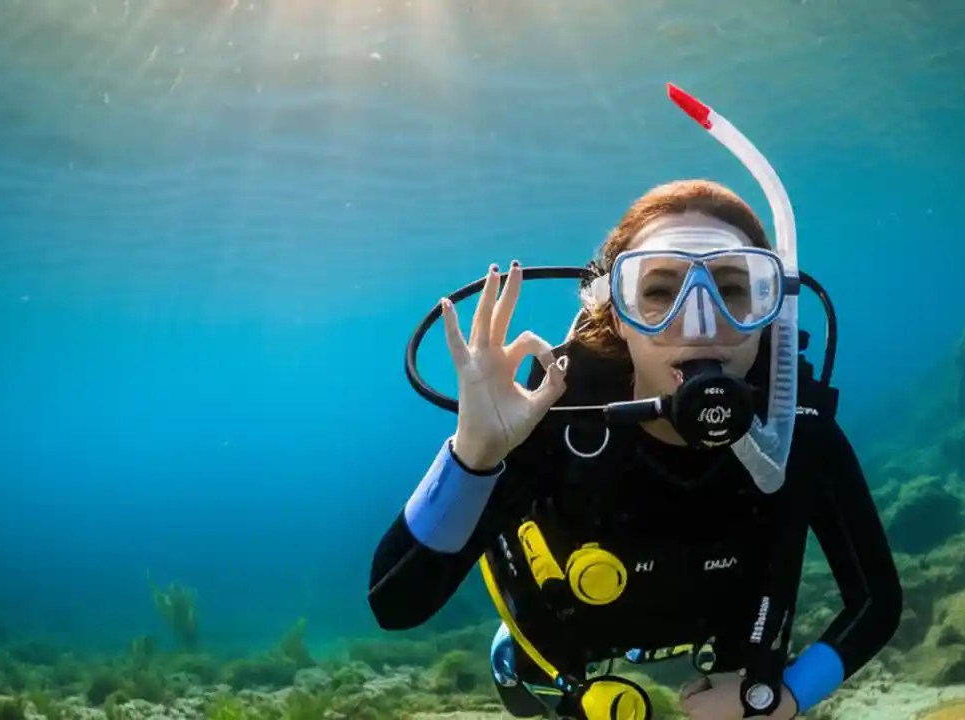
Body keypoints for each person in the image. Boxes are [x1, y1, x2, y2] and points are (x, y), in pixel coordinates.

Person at [369, 85, 901, 719]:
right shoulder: (556, 414)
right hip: (569, 669)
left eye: (734, 288)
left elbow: (876, 602)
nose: (699, 323)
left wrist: (783, 695)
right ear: (615, 316)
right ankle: (519, 664)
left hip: (724, 670)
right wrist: (474, 456)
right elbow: (395, 604)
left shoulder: (793, 426)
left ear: (773, 309)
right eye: (659, 292)